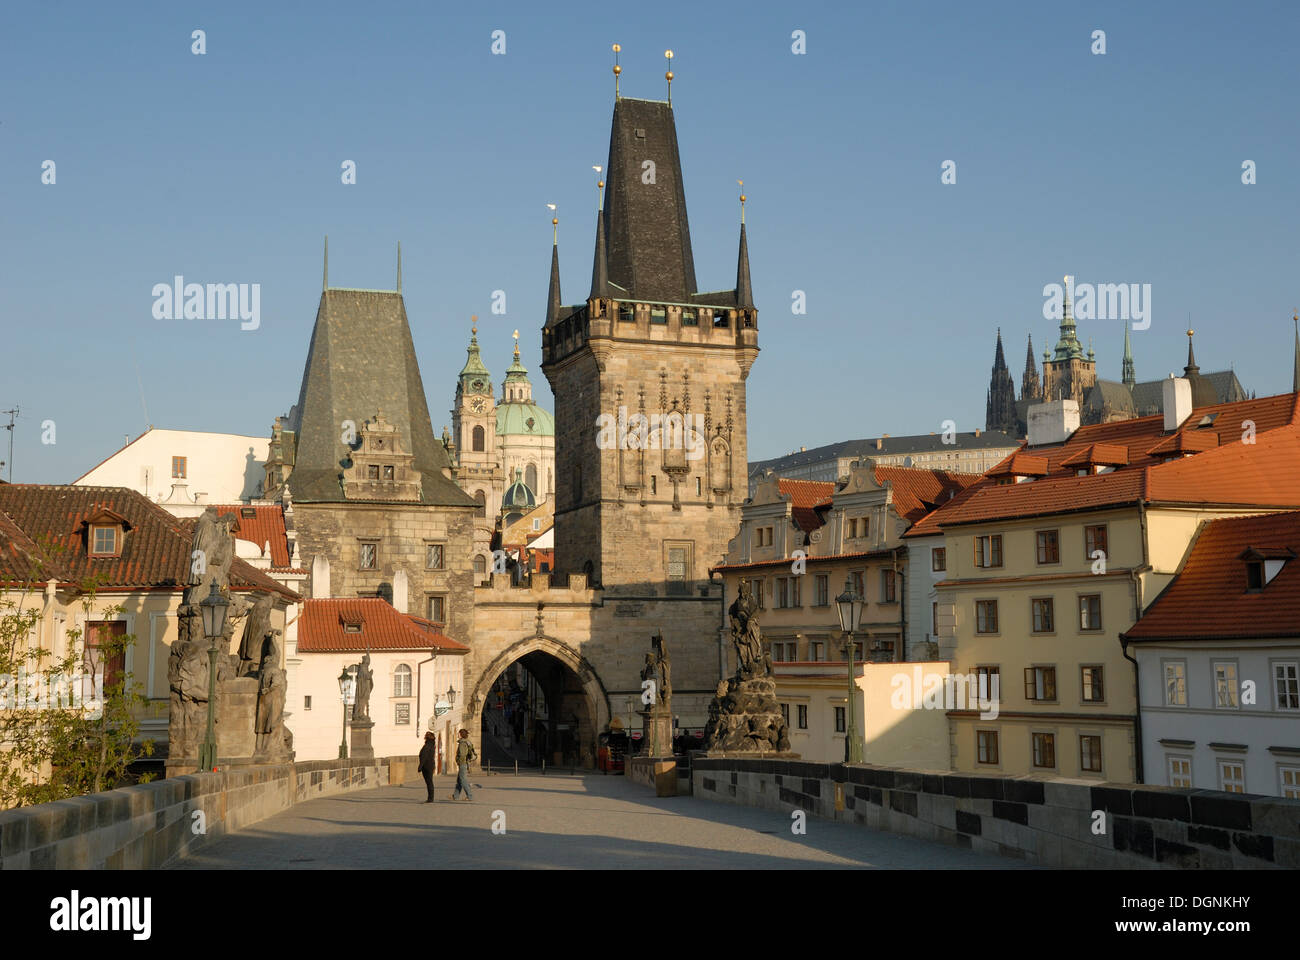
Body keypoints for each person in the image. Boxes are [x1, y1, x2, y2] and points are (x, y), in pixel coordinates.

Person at [452, 728, 476, 801]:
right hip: (465, 763)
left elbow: (462, 754)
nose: (458, 735)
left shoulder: (462, 743)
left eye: (458, 733)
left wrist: (459, 761)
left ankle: (469, 796)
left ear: (461, 734)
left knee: (463, 780)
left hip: (462, 763)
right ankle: (455, 796)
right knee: (459, 780)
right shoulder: (467, 742)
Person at [417, 731, 437, 802]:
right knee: (430, 782)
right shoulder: (432, 745)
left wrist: (420, 766)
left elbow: (424, 757)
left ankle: (430, 798)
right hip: (431, 765)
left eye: (425, 736)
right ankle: (431, 798)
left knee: (429, 782)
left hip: (426, 766)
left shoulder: (427, 746)